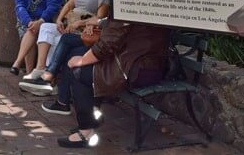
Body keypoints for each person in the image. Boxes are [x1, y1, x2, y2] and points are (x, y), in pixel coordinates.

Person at [53, 19, 170, 148]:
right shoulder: (144, 4)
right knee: (88, 65)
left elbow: (108, 43)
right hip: (153, 66)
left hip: (136, 70)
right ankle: (92, 120)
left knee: (78, 71)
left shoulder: (125, 3)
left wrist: (81, 61)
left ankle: (85, 132)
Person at [21, 0, 111, 97]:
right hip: (70, 25)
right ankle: (40, 69)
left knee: (58, 40)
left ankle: (49, 81)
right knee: (46, 27)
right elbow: (69, 4)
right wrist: (59, 20)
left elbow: (100, 16)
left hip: (83, 31)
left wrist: (80, 23)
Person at [9, 0, 64, 76]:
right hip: (26, 21)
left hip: (46, 20)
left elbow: (53, 5)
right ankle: (29, 72)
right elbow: (19, 6)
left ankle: (18, 64)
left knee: (32, 30)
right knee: (31, 30)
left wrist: (40, 21)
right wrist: (29, 22)